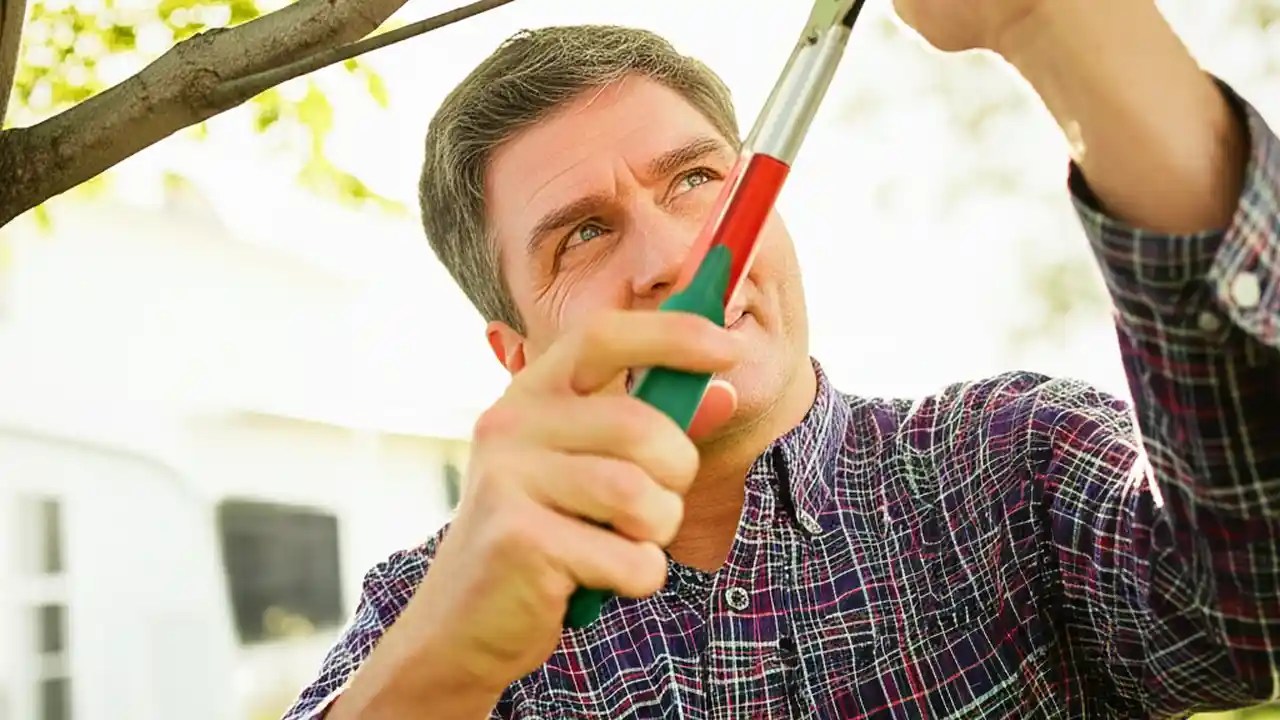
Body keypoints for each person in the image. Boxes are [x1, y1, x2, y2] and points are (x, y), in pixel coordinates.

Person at [284, 0, 1280, 717]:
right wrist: (442, 668)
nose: (671, 256)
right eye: (582, 235)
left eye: (694, 179)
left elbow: (1246, 611)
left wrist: (1049, 20)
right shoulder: (430, 607)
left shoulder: (1011, 460)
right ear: (516, 352)